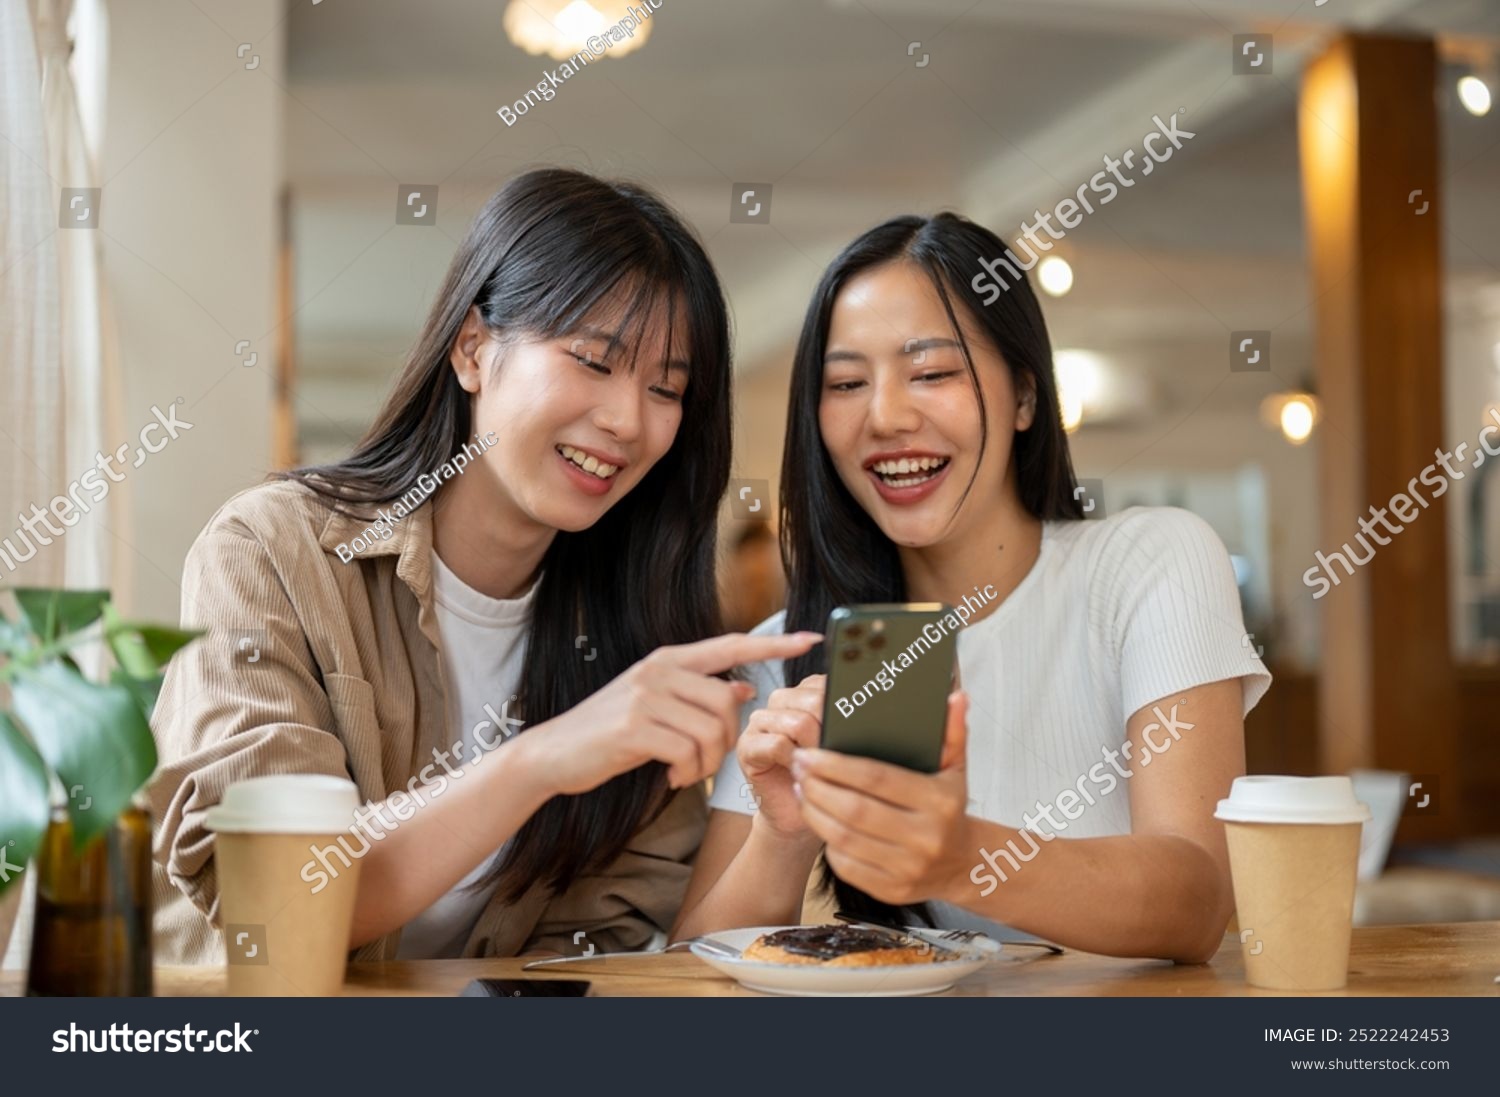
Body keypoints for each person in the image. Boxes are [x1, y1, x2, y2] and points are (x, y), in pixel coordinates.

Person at [148, 168, 819, 963]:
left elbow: (607, 957)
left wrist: (787, 833)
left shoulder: (635, 629)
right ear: (472, 348)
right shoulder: (272, 553)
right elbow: (272, 903)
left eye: (666, 388)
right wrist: (540, 758)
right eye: (593, 361)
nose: (627, 420)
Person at [673, 212, 1269, 962]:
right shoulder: (789, 651)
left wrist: (959, 856)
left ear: (1024, 395)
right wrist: (783, 836)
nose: (886, 416)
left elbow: (1199, 898)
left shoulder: (1148, 565)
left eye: (932, 373)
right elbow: (687, 968)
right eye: (847, 383)